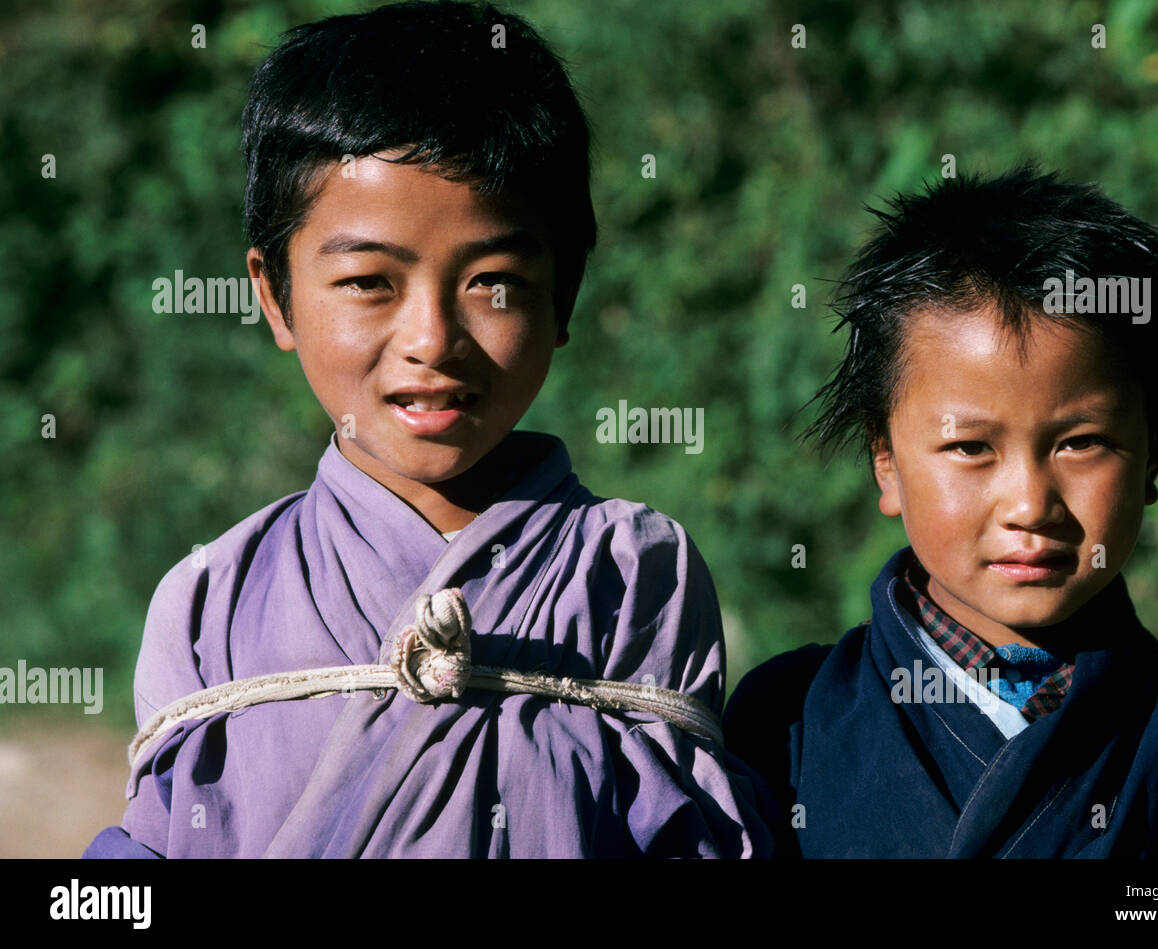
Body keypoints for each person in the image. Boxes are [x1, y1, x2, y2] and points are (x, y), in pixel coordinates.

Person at [84, 0, 773, 858]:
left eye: (494, 282)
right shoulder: (210, 600)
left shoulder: (632, 576)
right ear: (274, 294)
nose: (432, 341)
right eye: (370, 281)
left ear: (566, 292)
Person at [723, 165, 1158, 858]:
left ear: (1149, 456)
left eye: (1082, 442)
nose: (1030, 503)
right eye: (970, 446)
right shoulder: (789, 720)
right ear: (887, 462)